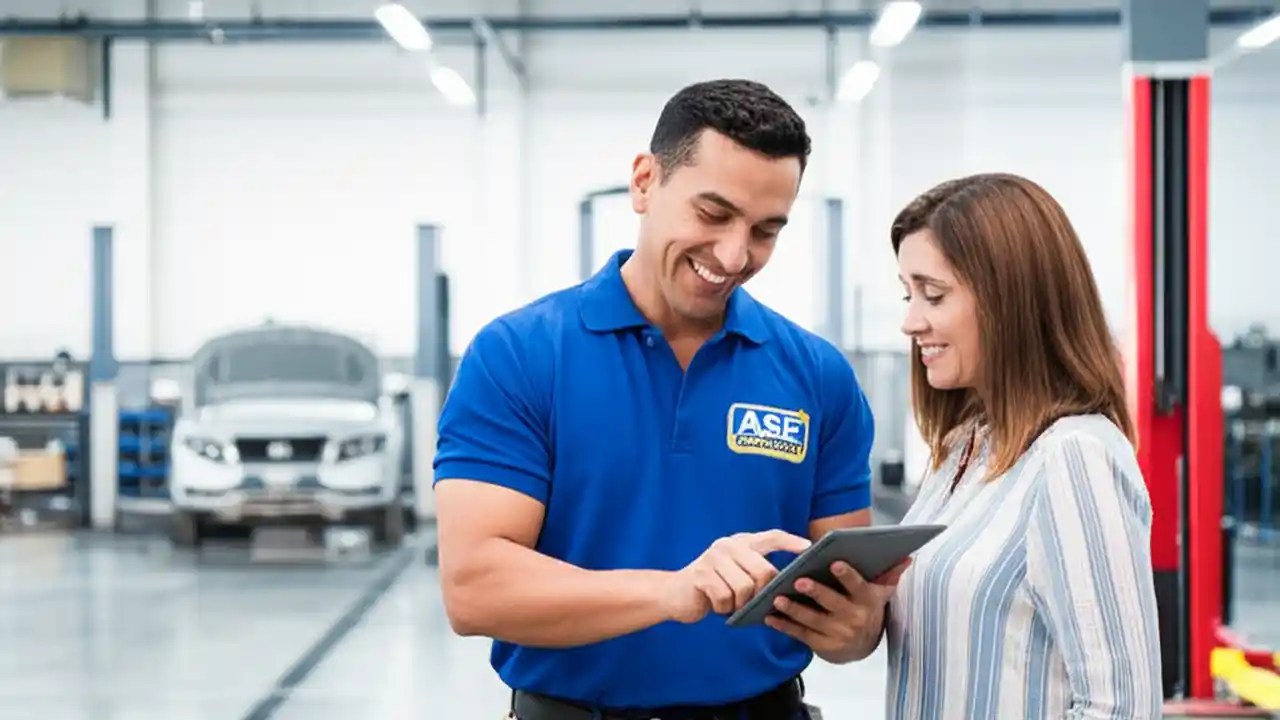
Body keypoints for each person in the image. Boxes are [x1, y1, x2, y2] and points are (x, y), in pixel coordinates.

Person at [433, 78, 904, 720]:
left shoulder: (817, 376)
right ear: (645, 181)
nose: (735, 254)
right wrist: (672, 592)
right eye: (712, 214)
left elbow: (853, 625)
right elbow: (474, 590)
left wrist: (854, 629)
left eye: (766, 230)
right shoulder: (521, 355)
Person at [883, 173, 1163, 719]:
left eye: (933, 294)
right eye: (907, 292)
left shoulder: (1073, 457)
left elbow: (1120, 706)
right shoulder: (967, 448)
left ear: (1010, 300)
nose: (910, 321)